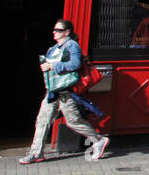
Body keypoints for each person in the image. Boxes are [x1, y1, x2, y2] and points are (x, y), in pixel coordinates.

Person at [19, 19, 109, 164]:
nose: (54, 32)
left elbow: (75, 64)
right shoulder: (53, 48)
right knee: (42, 120)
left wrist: (52, 66)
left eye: (58, 30)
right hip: (52, 91)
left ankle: (99, 140)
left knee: (73, 121)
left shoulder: (72, 45)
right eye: (54, 30)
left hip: (65, 92)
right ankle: (36, 153)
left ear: (67, 32)